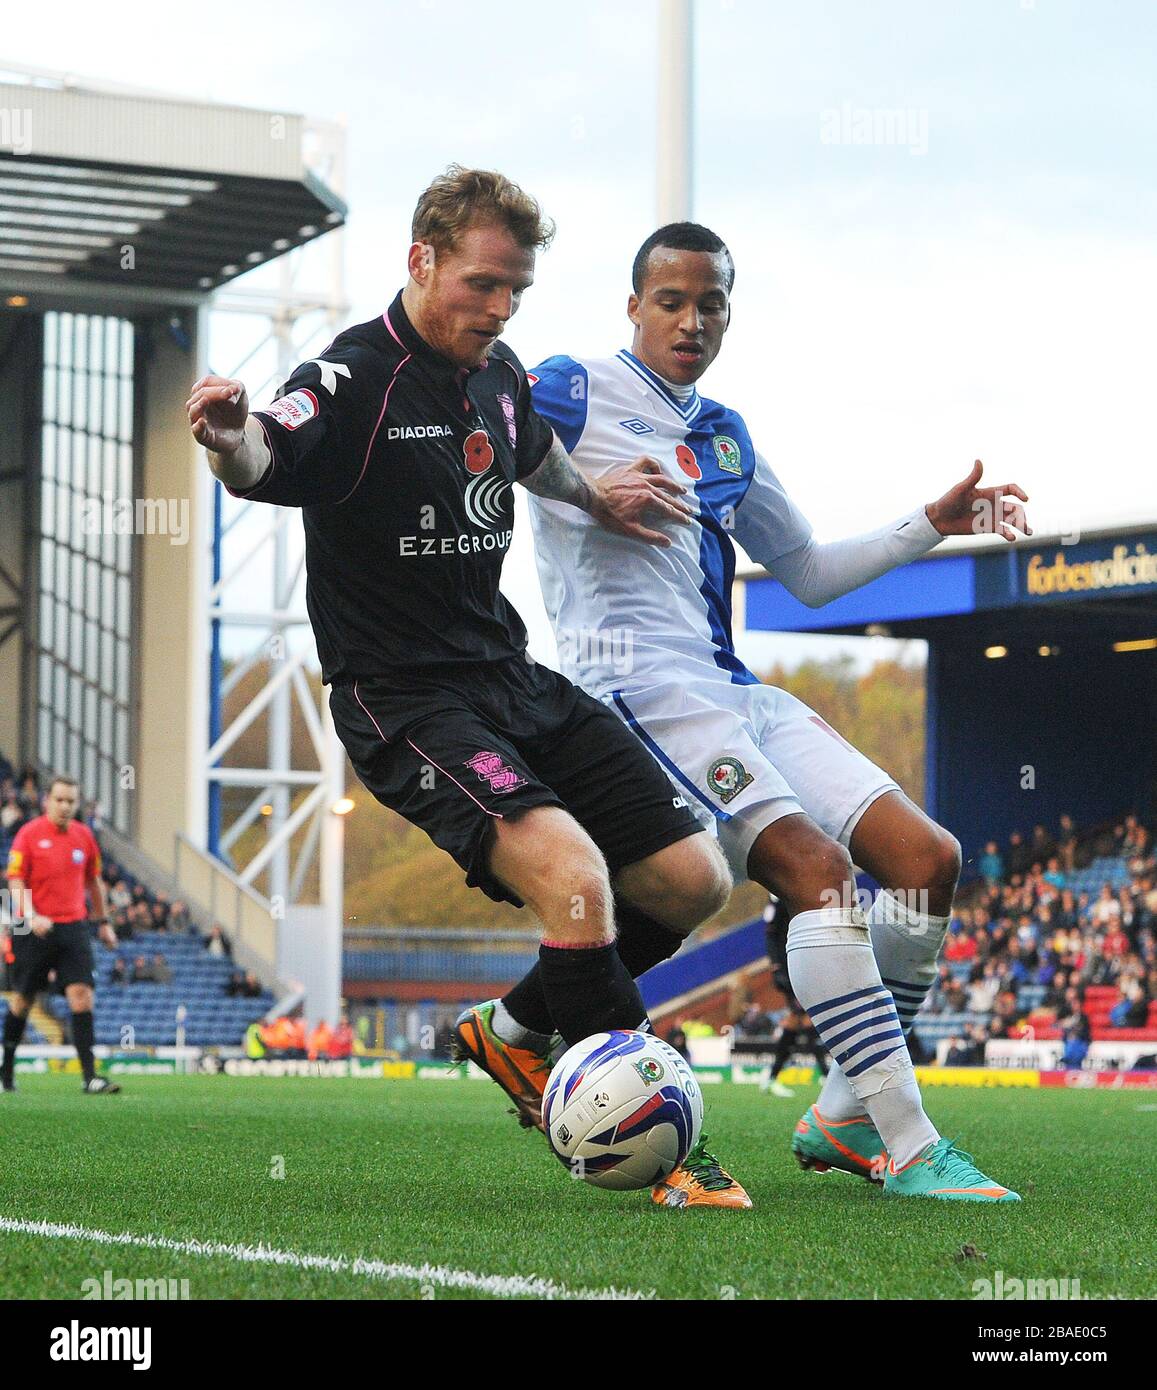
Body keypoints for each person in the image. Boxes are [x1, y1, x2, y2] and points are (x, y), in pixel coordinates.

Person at [187, 167, 743, 1208]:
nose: (496, 311)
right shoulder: (354, 376)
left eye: (515, 293)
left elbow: (534, 457)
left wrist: (597, 495)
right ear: (421, 261)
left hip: (506, 672)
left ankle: (514, 1030)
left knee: (690, 878)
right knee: (573, 880)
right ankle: (653, 1143)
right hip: (400, 695)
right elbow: (266, 446)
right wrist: (226, 437)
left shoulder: (498, 371)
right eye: (481, 285)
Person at [518, 222, 1029, 1202]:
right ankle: (911, 1143)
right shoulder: (571, 387)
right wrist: (578, 488)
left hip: (732, 687)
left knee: (927, 862)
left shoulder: (724, 434)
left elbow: (805, 572)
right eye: (670, 299)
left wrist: (932, 521)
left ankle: (841, 1116)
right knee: (816, 875)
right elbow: (490, 442)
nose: (690, 319)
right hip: (636, 687)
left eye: (710, 303)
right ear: (632, 306)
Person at [1, 775, 121, 1094]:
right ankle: (6, 1071)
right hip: (33, 928)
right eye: (59, 800)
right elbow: (15, 881)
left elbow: (94, 882)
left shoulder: (84, 837)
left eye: (71, 801)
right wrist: (30, 915)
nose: (65, 806)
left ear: (77, 804)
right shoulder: (28, 835)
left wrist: (103, 922)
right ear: (47, 801)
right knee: (24, 999)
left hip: (74, 927)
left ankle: (90, 1077)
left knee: (82, 995)